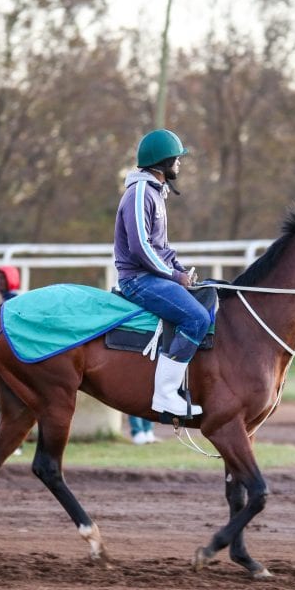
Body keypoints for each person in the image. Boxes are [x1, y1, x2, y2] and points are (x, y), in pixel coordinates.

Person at [114, 129, 208, 419]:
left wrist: (180, 270)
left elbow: (161, 248)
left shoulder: (156, 193)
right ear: (162, 161)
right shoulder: (140, 193)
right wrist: (173, 276)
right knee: (197, 318)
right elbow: (140, 248)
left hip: (154, 277)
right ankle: (166, 394)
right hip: (137, 281)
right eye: (177, 158)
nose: (180, 163)